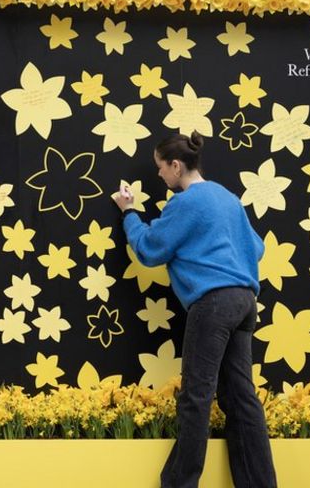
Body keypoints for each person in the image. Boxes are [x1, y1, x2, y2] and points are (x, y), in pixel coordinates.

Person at [114, 131, 277, 488]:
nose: (159, 176)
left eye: (160, 168)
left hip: (214, 303)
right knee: (241, 397)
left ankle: (179, 484)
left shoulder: (185, 203)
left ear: (175, 165)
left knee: (196, 396)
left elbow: (151, 249)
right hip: (245, 302)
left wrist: (129, 212)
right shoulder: (228, 198)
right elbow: (258, 248)